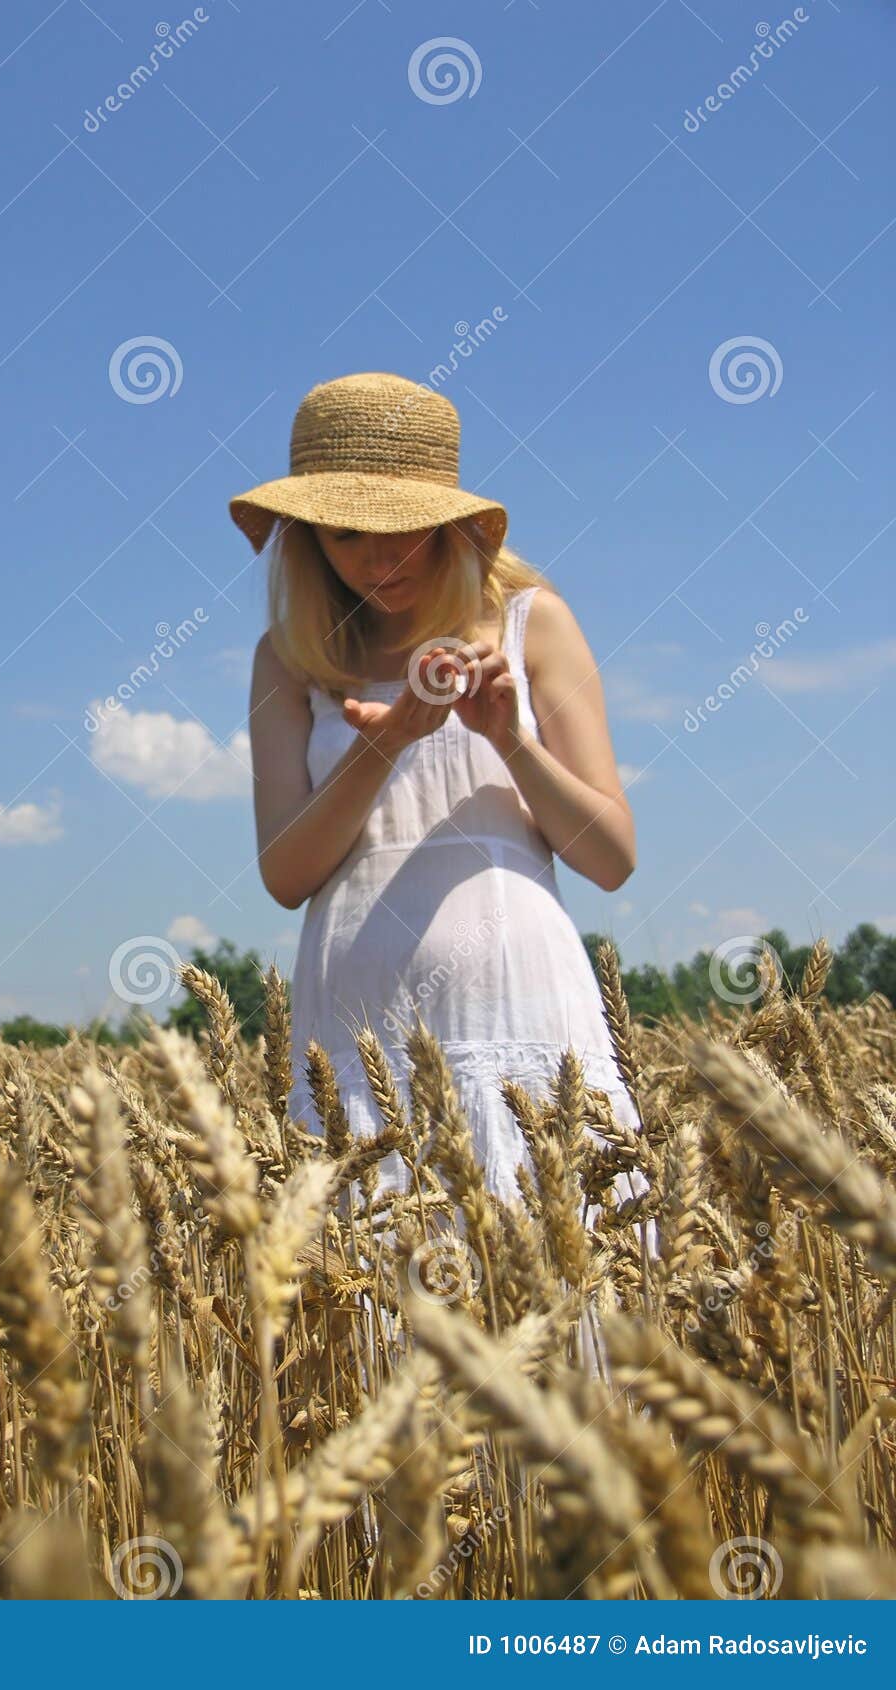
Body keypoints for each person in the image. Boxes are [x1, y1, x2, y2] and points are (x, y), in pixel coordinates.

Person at [234, 371, 641, 1203]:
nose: (378, 560)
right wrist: (382, 748)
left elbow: (611, 856)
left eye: (405, 530)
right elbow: (285, 875)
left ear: (449, 523)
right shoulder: (289, 658)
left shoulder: (534, 623)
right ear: (309, 542)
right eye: (346, 536)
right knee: (376, 1308)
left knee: (546, 1276)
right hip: (358, 1036)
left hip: (520, 1017)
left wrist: (508, 738)